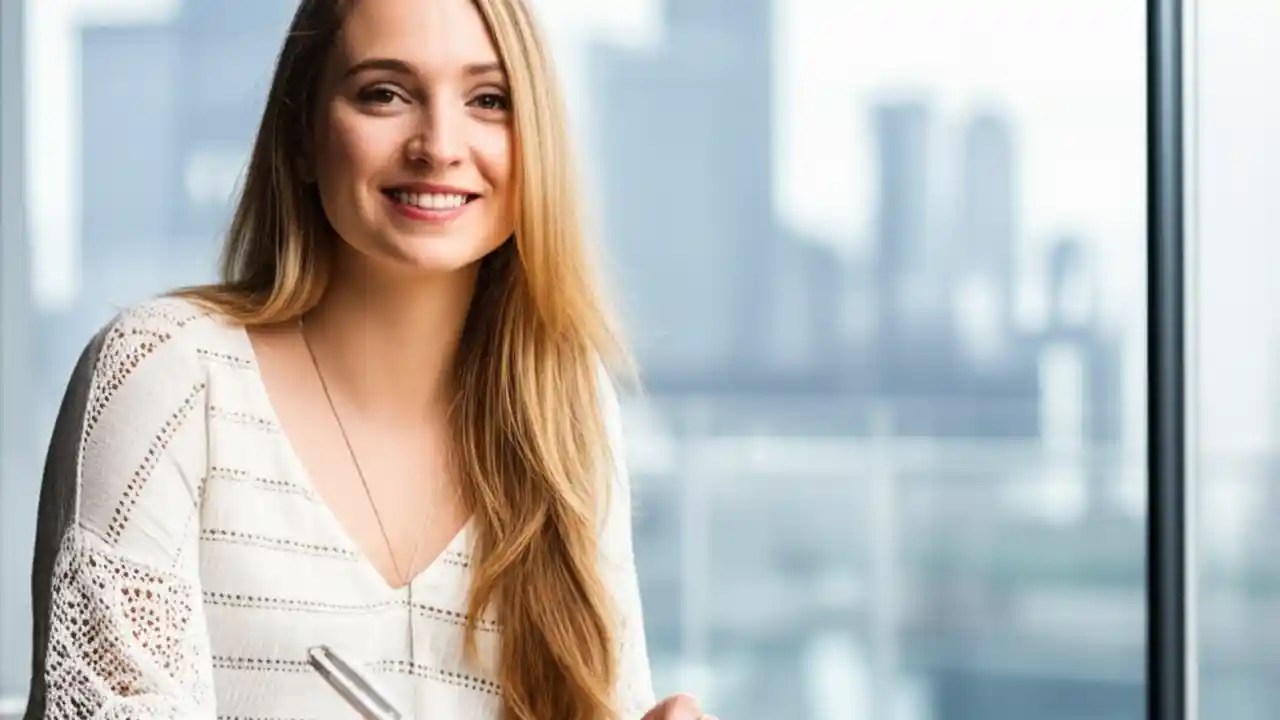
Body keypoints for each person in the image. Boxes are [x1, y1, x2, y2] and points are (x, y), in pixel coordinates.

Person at [24, 0, 718, 718]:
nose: (439, 145)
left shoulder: (565, 402)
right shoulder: (165, 376)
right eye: (384, 93)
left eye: (488, 99)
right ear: (301, 136)